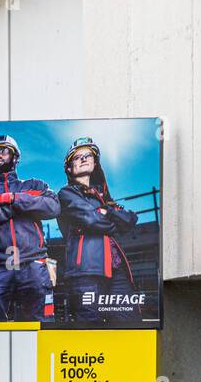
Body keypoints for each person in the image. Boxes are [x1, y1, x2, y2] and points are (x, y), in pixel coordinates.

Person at [0, 134, 59, 321]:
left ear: (15, 157)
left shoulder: (33, 185)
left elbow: (54, 207)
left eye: (3, 150)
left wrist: (15, 198)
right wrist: (8, 211)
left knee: (40, 324)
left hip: (33, 262)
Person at [55, 137, 140, 326]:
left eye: (88, 155)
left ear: (95, 162)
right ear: (69, 168)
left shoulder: (104, 199)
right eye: (77, 157)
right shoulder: (66, 194)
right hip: (85, 272)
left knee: (129, 325)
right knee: (89, 329)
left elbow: (131, 219)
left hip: (115, 271)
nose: (84, 159)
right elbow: (92, 220)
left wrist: (106, 210)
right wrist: (113, 218)